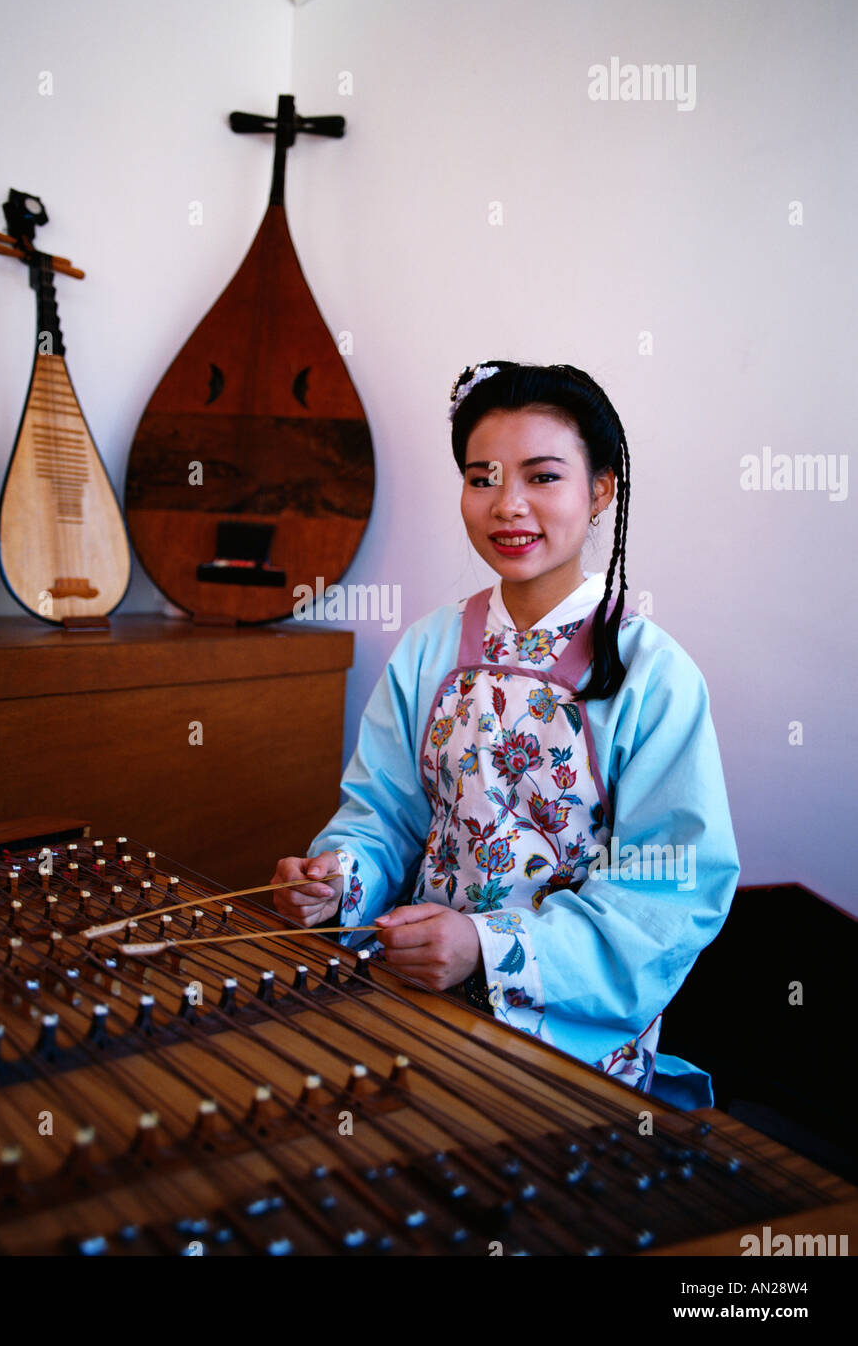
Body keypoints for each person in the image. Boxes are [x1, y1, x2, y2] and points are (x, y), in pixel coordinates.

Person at [270, 360, 739, 1110]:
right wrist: (337, 882)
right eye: (482, 476)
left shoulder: (654, 674)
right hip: (408, 1006)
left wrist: (488, 950)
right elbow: (383, 817)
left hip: (564, 1050)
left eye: (542, 477)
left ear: (601, 491)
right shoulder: (427, 648)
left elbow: (669, 893)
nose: (507, 506)